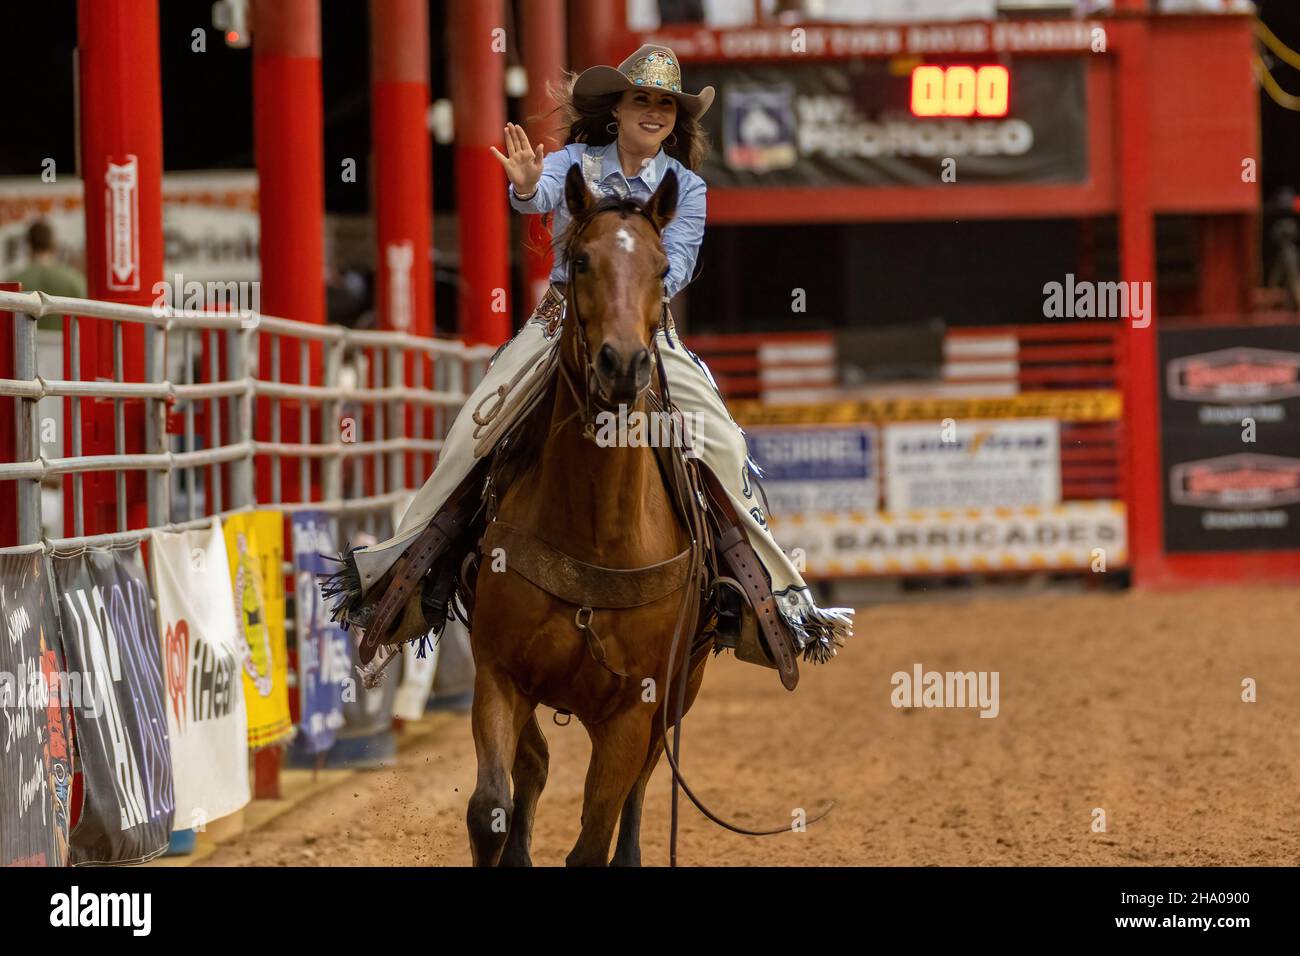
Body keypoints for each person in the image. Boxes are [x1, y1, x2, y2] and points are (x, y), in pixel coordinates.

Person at [328, 44, 852, 673]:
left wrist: (629, 284)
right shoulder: (574, 161)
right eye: (642, 100)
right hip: (558, 323)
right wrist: (526, 187)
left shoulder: (688, 188)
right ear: (619, 108)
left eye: (665, 104)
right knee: (473, 429)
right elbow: (539, 191)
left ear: (675, 118)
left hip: (645, 330)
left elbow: (676, 266)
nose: (653, 112)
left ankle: (773, 601)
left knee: (723, 443)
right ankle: (403, 581)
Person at [8, 220, 87, 331]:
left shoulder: (14, 281)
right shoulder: (75, 280)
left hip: (24, 346)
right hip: (67, 345)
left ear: (28, 244)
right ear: (53, 243)